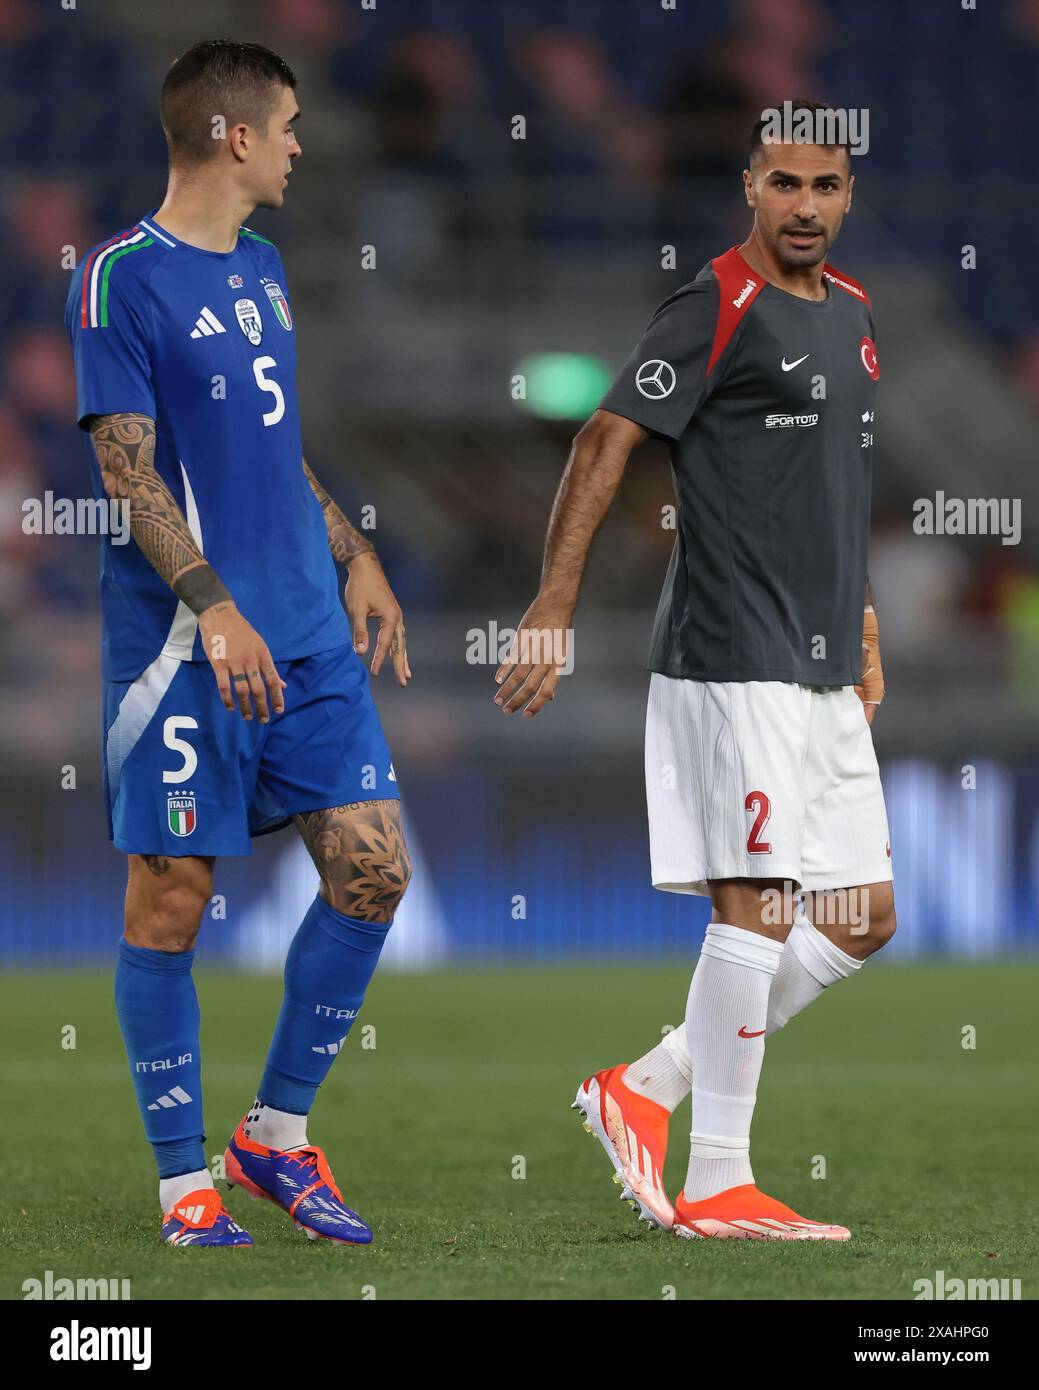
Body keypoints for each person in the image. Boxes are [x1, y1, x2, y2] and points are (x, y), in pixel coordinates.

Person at [495, 99, 893, 1240]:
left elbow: (837, 489)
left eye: (824, 186)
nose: (804, 206)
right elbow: (605, 436)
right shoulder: (717, 300)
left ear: (848, 194)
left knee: (863, 912)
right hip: (731, 651)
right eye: (784, 184)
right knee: (759, 904)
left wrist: (860, 619)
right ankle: (718, 1179)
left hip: (819, 660)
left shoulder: (859, 317)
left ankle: (647, 1086)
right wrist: (553, 602)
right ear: (749, 186)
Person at [65, 40, 411, 1248]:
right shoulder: (118, 279)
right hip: (183, 644)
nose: (302, 145)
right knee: (174, 903)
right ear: (235, 138)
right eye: (290, 125)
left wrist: (352, 548)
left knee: (374, 873)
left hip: (308, 631)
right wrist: (214, 605)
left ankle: (271, 1137)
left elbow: (269, 448)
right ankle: (181, 1186)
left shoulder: (262, 266)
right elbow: (127, 469)